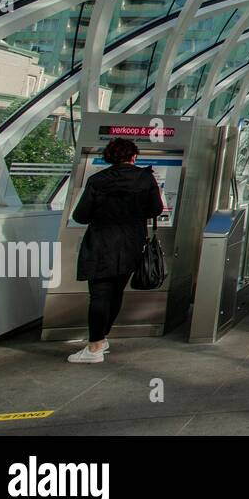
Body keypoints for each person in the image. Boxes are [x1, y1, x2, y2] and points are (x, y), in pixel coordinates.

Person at [66, 137, 164, 364]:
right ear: (133, 156)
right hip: (131, 244)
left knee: (99, 295)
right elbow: (156, 209)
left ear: (109, 157)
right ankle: (102, 338)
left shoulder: (97, 180)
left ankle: (94, 347)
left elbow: (81, 216)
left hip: (101, 244)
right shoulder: (145, 178)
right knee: (116, 292)